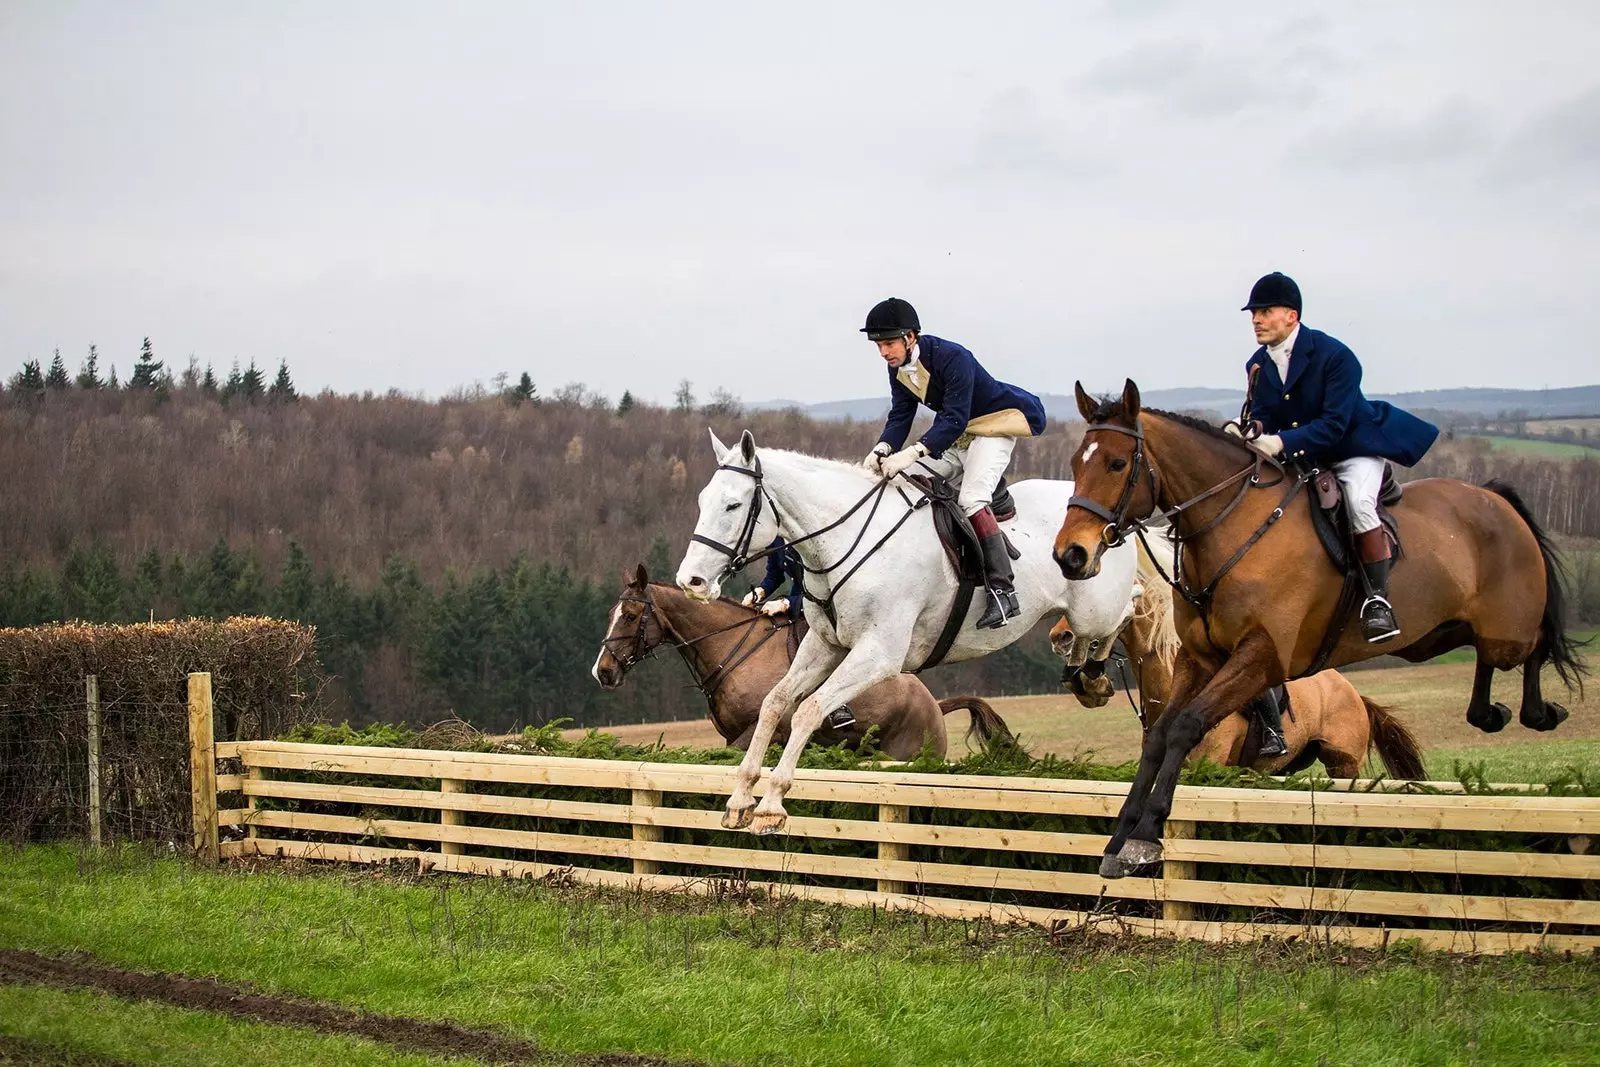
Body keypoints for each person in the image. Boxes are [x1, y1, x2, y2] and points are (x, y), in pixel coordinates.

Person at [859, 297, 1047, 630]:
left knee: (972, 500)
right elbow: (901, 414)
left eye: (888, 343)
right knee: (908, 485)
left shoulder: (953, 357)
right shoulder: (899, 368)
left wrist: (912, 452)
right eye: (878, 346)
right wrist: (883, 447)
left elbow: (955, 418)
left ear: (910, 337)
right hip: (958, 437)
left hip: (992, 428)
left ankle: (1004, 592)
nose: (883, 353)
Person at [741, 537, 803, 620]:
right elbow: (775, 576)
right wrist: (760, 592)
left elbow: (824, 591)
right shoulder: (775, 539)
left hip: (816, 605)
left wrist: (787, 603)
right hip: (796, 596)